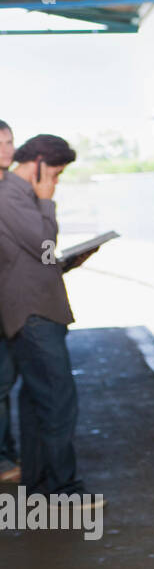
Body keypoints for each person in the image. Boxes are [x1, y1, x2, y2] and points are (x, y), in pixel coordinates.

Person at [0, 134, 100, 507]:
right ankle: (63, 489)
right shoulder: (10, 192)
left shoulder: (13, 192)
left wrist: (67, 262)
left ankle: (40, 482)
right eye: (55, 173)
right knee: (58, 401)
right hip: (34, 315)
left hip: (35, 311)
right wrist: (46, 199)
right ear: (39, 162)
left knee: (36, 402)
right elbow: (44, 245)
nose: (55, 182)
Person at [0, 120, 18, 483]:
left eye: (10, 141)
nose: (7, 149)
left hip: (11, 305)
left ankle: (6, 455)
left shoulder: (15, 188)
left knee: (4, 383)